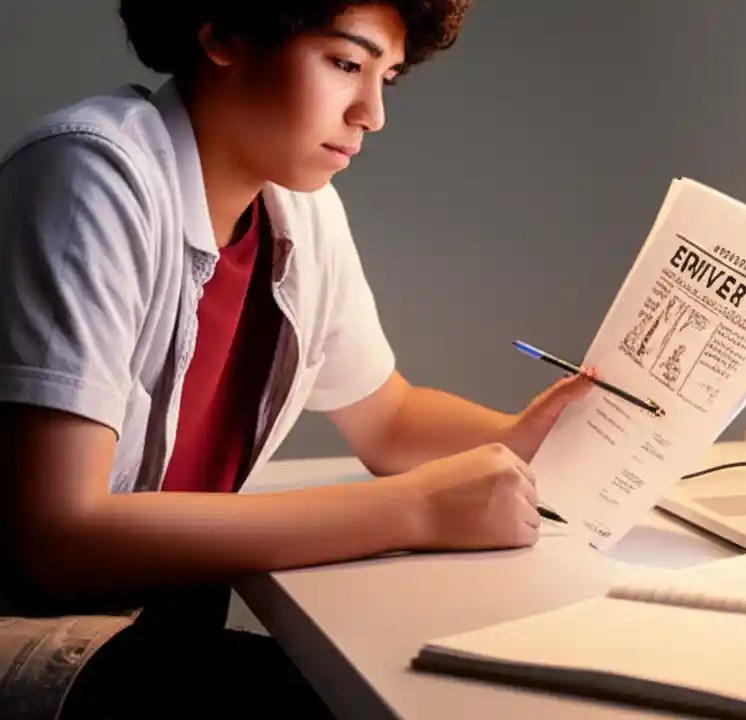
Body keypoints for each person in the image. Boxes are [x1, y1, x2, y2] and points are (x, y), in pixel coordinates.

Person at [0, 2, 593, 717]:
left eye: (388, 79)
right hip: (33, 630)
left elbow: (391, 419)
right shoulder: (90, 173)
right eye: (346, 64)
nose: (371, 113)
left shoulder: (299, 209)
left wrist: (526, 432)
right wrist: (413, 508)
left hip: (151, 627)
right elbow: (58, 535)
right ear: (221, 29)